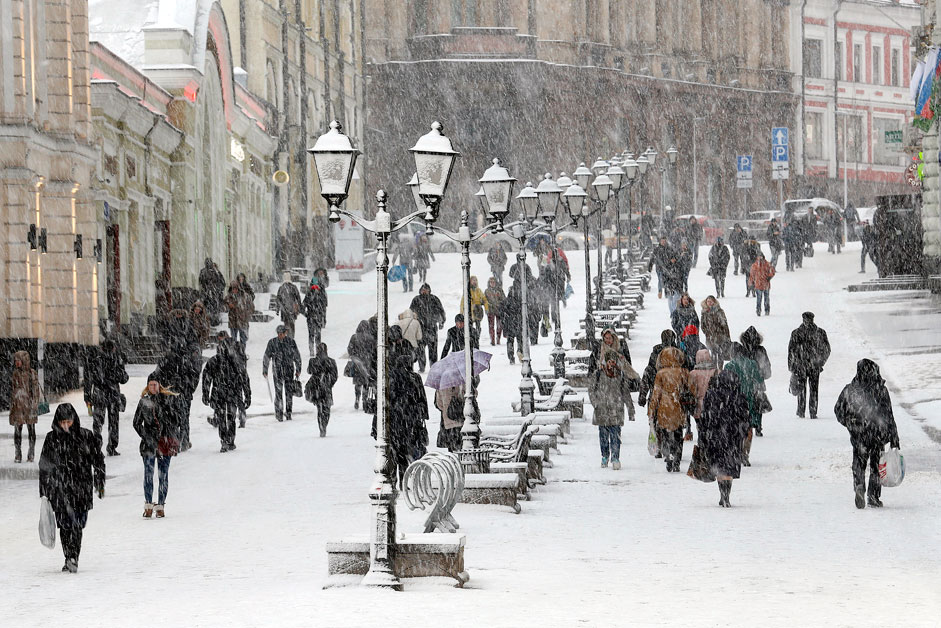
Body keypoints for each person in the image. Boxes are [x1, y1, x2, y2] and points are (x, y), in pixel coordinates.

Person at [38, 403, 105, 573]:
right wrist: (44, 491)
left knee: (77, 525)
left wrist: (99, 480)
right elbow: (44, 465)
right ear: (57, 422)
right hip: (60, 488)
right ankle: (69, 557)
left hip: (81, 487)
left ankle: (73, 556)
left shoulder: (85, 436)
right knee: (65, 525)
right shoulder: (52, 439)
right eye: (63, 423)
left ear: (74, 420)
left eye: (68, 422)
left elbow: (97, 459)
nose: (66, 426)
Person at [834, 359, 901, 509]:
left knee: (858, 462)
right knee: (876, 466)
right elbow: (889, 415)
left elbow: (838, 410)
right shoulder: (881, 390)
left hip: (858, 435)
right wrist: (894, 438)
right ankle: (873, 496)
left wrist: (850, 424)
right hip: (877, 434)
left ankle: (859, 486)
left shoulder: (850, 390)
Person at [373, 335, 428, 487]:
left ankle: (392, 480)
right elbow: (421, 398)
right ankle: (404, 480)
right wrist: (422, 415)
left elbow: (383, 402)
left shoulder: (389, 378)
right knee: (405, 452)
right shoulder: (414, 378)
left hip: (393, 421)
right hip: (409, 421)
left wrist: (376, 424)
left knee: (393, 452)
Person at [699, 370, 751, 507]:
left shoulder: (711, 395)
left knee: (719, 465)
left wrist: (703, 434)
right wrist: (743, 433)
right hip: (733, 437)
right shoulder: (739, 396)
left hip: (715, 436)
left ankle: (722, 494)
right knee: (729, 466)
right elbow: (745, 417)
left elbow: (704, 417)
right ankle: (727, 495)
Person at [133, 377, 180, 518]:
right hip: (149, 443)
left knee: (163, 475)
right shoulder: (143, 402)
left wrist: (169, 415)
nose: (153, 387)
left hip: (165, 442)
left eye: (155, 384)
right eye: (150, 384)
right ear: (147, 386)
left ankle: (160, 505)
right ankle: (148, 504)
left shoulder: (168, 400)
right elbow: (136, 423)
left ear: (159, 385)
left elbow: (177, 420)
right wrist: (146, 436)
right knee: (148, 474)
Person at [202, 332, 251, 451]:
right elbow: (244, 379)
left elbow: (206, 378)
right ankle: (228, 440)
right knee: (229, 417)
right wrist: (247, 395)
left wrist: (206, 393)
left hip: (222, 392)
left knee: (224, 417)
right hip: (229, 392)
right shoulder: (234, 362)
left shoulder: (216, 361)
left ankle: (225, 440)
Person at [588, 351, 637, 470]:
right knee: (603, 437)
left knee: (616, 437)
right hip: (602, 410)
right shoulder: (598, 374)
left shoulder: (620, 375)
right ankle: (605, 456)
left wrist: (630, 409)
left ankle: (615, 457)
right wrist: (596, 403)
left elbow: (625, 393)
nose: (611, 364)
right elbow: (591, 390)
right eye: (609, 361)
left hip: (616, 410)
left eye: (613, 362)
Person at [647, 346, 691, 472]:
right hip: (678, 406)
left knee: (665, 434)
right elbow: (690, 389)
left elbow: (656, 394)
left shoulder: (660, 374)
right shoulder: (683, 372)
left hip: (664, 407)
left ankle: (668, 456)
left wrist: (651, 410)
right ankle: (677, 458)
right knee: (678, 434)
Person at [152, 342, 201, 452]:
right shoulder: (186, 362)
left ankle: (172, 440)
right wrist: (189, 390)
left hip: (168, 393)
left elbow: (155, 376)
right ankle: (183, 441)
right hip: (182, 394)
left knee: (170, 418)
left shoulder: (164, 361)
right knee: (184, 419)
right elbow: (194, 376)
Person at [83, 339, 128, 456]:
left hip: (99, 393)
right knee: (113, 422)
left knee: (98, 422)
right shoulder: (117, 359)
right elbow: (124, 378)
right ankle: (112, 447)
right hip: (113, 393)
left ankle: (97, 446)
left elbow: (88, 379)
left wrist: (87, 396)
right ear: (114, 348)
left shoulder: (95, 359)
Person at [724, 342, 762, 466]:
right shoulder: (752, 364)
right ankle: (745, 454)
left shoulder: (730, 366)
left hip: (735, 400)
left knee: (735, 428)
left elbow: (726, 384)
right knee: (748, 427)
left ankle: (736, 452)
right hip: (750, 399)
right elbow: (759, 381)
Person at [788, 312, 831, 419]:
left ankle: (804, 411)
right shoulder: (819, 332)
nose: (807, 321)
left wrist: (792, 366)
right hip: (809, 365)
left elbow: (791, 351)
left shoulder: (797, 333)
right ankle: (811, 411)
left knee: (806, 389)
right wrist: (820, 362)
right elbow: (826, 350)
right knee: (812, 389)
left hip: (804, 365)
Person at [263, 325, 302, 422]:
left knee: (289, 393)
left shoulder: (291, 342)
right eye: (279, 334)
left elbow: (297, 356)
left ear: (285, 333)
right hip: (277, 371)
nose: (280, 336)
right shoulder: (272, 342)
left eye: (282, 334)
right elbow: (267, 356)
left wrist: (298, 369)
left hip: (289, 370)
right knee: (278, 393)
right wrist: (265, 369)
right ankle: (279, 413)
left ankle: (288, 412)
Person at [739, 326, 771, 437]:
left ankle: (747, 425)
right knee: (758, 404)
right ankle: (758, 425)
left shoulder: (742, 350)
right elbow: (766, 364)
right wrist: (764, 375)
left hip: (745, 381)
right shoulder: (761, 350)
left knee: (746, 404)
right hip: (758, 381)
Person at [10, 350, 41, 463]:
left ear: (24, 361)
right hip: (18, 406)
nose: (16, 363)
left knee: (31, 430)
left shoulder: (32, 373)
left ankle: (31, 453)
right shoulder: (15, 373)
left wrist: (34, 404)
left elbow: (36, 390)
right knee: (17, 430)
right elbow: (13, 389)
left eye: (18, 361)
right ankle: (18, 454)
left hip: (29, 406)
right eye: (15, 361)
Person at [409, 283, 446, 372]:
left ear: (429, 290)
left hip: (432, 328)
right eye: (423, 289)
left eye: (426, 289)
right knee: (420, 349)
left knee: (433, 349)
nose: (424, 291)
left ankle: (433, 367)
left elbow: (441, 311)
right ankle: (422, 367)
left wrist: (441, 321)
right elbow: (411, 312)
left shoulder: (434, 299)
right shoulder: (416, 300)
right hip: (420, 329)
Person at [306, 343, 338, 437]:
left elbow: (309, 371)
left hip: (316, 388)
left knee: (320, 409)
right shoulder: (331, 361)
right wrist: (329, 384)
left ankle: (321, 426)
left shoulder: (313, 361)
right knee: (326, 409)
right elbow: (335, 376)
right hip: (326, 388)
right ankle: (324, 425)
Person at [346, 318, 377, 411]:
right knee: (366, 382)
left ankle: (357, 398)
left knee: (358, 383)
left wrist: (354, 355)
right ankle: (364, 400)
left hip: (357, 363)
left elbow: (349, 349)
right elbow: (374, 351)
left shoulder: (354, 337)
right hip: (368, 363)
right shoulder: (371, 338)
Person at [687, 349, 718, 427]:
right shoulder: (716, 371)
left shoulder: (693, 374)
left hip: (699, 405)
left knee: (701, 427)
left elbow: (691, 391)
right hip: (713, 404)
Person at [699, 296, 731, 369]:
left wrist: (722, 333)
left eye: (711, 301)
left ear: (714, 302)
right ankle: (714, 369)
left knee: (720, 354)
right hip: (710, 337)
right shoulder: (704, 312)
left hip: (720, 336)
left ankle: (720, 369)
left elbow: (724, 324)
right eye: (708, 301)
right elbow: (702, 325)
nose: (709, 303)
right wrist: (707, 332)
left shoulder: (719, 311)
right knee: (713, 353)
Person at [302, 274, 329, 357]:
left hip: (310, 316)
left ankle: (311, 350)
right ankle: (318, 349)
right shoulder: (322, 294)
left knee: (311, 334)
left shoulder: (309, 294)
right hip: (318, 317)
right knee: (318, 334)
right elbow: (325, 307)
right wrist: (323, 318)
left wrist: (306, 314)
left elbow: (302, 306)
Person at [225, 280, 254, 352]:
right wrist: (228, 306)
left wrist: (246, 315)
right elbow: (224, 307)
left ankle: (242, 353)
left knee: (243, 340)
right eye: (233, 288)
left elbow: (251, 307)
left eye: (236, 288)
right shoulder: (228, 297)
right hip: (233, 321)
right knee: (233, 340)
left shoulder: (245, 296)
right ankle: (234, 354)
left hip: (243, 321)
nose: (234, 290)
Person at [434, 385, 464, 452]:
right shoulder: (462, 381)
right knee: (464, 449)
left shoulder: (442, 384)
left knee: (452, 449)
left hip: (448, 422)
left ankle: (454, 460)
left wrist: (446, 408)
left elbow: (438, 404)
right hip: (462, 421)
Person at [460, 275, 488, 344]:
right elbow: (462, 302)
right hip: (470, 312)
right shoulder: (467, 291)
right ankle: (471, 339)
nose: (474, 282)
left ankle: (477, 338)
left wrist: (486, 308)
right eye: (473, 280)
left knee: (478, 326)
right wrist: (461, 312)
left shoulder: (479, 290)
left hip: (478, 311)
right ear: (470, 281)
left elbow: (484, 299)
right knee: (470, 327)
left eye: (476, 280)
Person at [198, 258, 226, 325]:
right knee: (207, 308)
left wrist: (217, 290)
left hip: (214, 294)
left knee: (214, 308)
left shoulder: (216, 272)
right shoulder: (203, 271)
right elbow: (201, 282)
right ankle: (208, 321)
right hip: (207, 294)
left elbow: (222, 283)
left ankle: (214, 321)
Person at [500, 283, 523, 364]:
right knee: (520, 340)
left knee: (510, 341)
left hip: (509, 324)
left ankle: (511, 357)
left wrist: (504, 324)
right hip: (518, 323)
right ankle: (520, 351)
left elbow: (502, 314)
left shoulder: (506, 301)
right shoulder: (520, 301)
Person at [275, 272, 302, 337]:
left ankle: (287, 335)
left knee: (286, 323)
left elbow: (278, 299)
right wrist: (299, 307)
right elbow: (298, 298)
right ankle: (291, 336)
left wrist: (278, 309)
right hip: (292, 309)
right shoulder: (293, 287)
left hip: (284, 309)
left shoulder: (281, 288)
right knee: (292, 324)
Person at [749, 251, 776, 316]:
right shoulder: (755, 265)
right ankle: (759, 310)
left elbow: (772, 271)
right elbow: (752, 275)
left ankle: (765, 310)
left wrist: (769, 276)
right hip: (760, 284)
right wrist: (751, 283)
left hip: (764, 284)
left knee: (765, 298)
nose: (760, 258)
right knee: (760, 299)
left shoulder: (765, 264)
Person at [484, 276, 505, 346]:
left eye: (493, 282)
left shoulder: (500, 290)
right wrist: (487, 306)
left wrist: (501, 304)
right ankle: (492, 340)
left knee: (499, 326)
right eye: (491, 282)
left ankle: (498, 338)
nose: (492, 283)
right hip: (491, 310)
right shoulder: (487, 291)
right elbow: (484, 300)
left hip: (499, 310)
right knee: (491, 326)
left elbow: (504, 299)